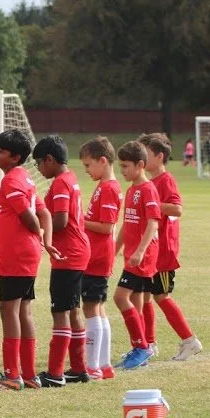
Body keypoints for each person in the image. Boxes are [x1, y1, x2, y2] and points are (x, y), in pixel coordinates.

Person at [0, 130, 55, 392]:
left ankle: (12, 375)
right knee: (23, 309)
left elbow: (32, 217)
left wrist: (38, 235)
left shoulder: (12, 181)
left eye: (1, 151)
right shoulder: (24, 177)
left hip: (17, 256)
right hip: (26, 254)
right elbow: (44, 211)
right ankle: (30, 374)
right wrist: (44, 241)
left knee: (9, 309)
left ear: (14, 157)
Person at [31, 135, 91, 388]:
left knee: (60, 311)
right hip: (77, 251)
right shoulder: (71, 178)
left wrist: (40, 231)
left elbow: (61, 219)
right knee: (73, 310)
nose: (39, 169)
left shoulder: (59, 184)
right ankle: (79, 368)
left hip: (68, 254)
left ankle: (55, 373)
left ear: (50, 160)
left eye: (39, 164)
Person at [139, 133, 202, 362]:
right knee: (145, 296)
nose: (142, 158)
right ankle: (149, 344)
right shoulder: (148, 182)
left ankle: (189, 340)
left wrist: (152, 205)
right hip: (150, 249)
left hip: (163, 251)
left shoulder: (166, 180)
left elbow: (177, 209)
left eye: (146, 153)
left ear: (159, 156)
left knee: (161, 296)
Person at [112, 141, 161, 370]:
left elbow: (153, 222)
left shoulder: (148, 189)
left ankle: (142, 347)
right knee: (136, 303)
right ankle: (141, 350)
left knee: (120, 297)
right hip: (132, 255)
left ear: (140, 165)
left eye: (125, 166)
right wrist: (115, 248)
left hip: (142, 257)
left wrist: (140, 251)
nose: (122, 171)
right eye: (120, 166)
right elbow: (127, 224)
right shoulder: (131, 189)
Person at [77, 137, 122, 381]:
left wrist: (79, 220)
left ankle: (92, 366)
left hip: (97, 257)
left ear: (102, 161)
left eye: (88, 165)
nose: (86, 171)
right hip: (99, 256)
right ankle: (103, 365)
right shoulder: (106, 186)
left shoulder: (108, 188)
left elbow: (106, 226)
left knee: (91, 308)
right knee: (99, 309)